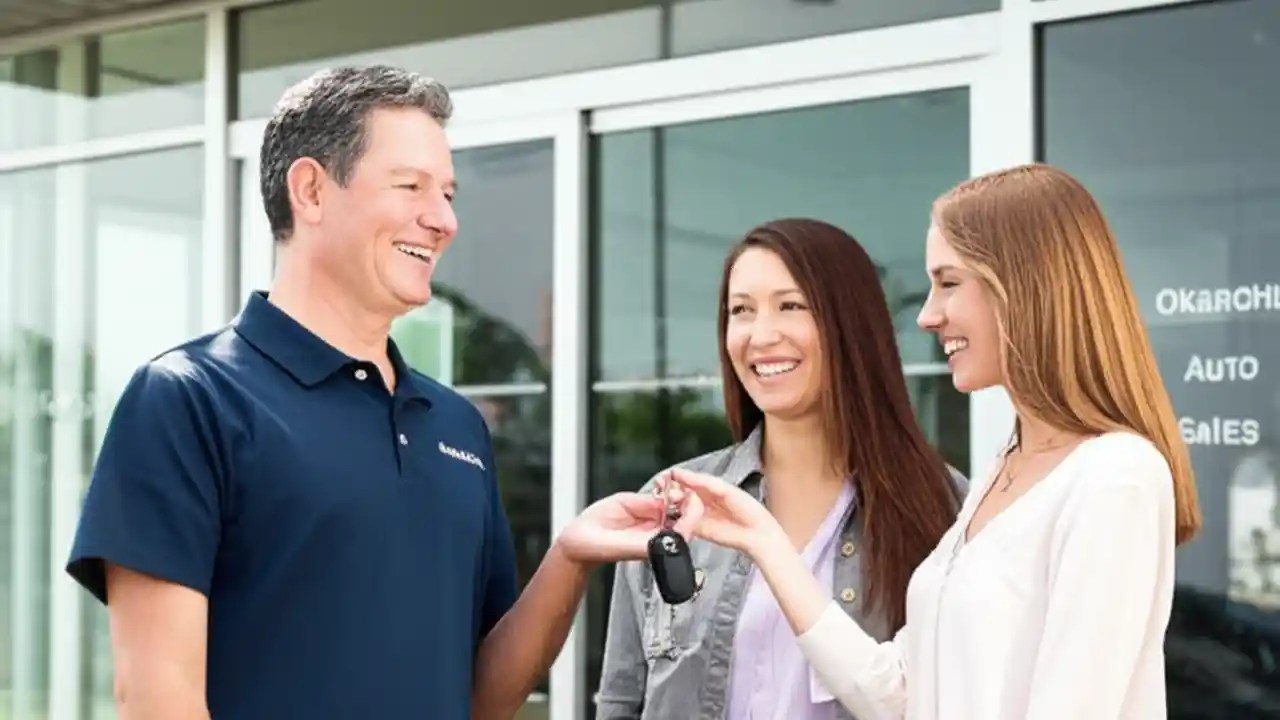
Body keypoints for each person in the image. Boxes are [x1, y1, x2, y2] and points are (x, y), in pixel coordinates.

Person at [63, 65, 694, 720]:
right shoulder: (189, 400)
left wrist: (569, 556)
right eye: (411, 187)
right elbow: (158, 700)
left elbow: (484, 697)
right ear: (310, 190)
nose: (443, 220)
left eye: (448, 194)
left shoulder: (454, 424)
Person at [671, 163, 1204, 720]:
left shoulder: (1114, 476)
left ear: (1023, 285)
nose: (927, 315)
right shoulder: (1006, 469)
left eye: (949, 282)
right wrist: (765, 541)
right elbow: (895, 693)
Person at [595, 218, 967, 719]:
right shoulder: (675, 505)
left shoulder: (946, 508)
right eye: (741, 311)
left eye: (790, 306)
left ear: (850, 324)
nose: (760, 335)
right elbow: (622, 703)